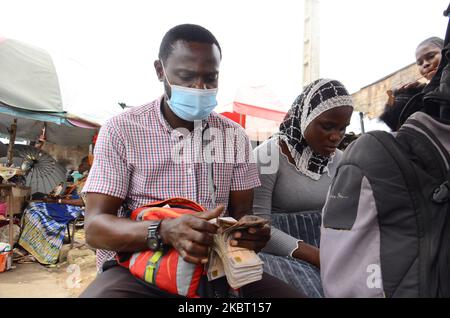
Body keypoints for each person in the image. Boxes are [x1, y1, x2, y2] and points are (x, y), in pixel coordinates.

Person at [80, 24, 303, 298]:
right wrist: (165, 230)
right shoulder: (122, 131)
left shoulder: (234, 137)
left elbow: (243, 216)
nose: (200, 88)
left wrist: (251, 234)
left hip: (214, 264)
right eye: (186, 77)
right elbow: (95, 228)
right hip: (141, 266)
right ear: (160, 70)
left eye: (210, 78)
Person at [252, 79, 354, 297]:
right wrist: (316, 256)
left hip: (330, 253)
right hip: (279, 255)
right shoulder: (267, 158)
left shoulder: (340, 161)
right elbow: (257, 229)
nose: (336, 137)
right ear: (304, 117)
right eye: (327, 126)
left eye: (342, 128)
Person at [18, 156, 91, 264]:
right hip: (69, 204)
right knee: (33, 206)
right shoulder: (84, 178)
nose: (80, 166)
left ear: (89, 165)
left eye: (82, 163)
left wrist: (60, 201)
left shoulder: (91, 181)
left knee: (35, 210)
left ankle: (42, 248)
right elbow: (76, 196)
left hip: (76, 209)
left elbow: (83, 201)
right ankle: (32, 245)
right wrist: (61, 197)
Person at [380, 37, 444, 131]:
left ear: (446, 52)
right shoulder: (426, 92)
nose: (425, 64)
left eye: (431, 56)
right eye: (420, 63)